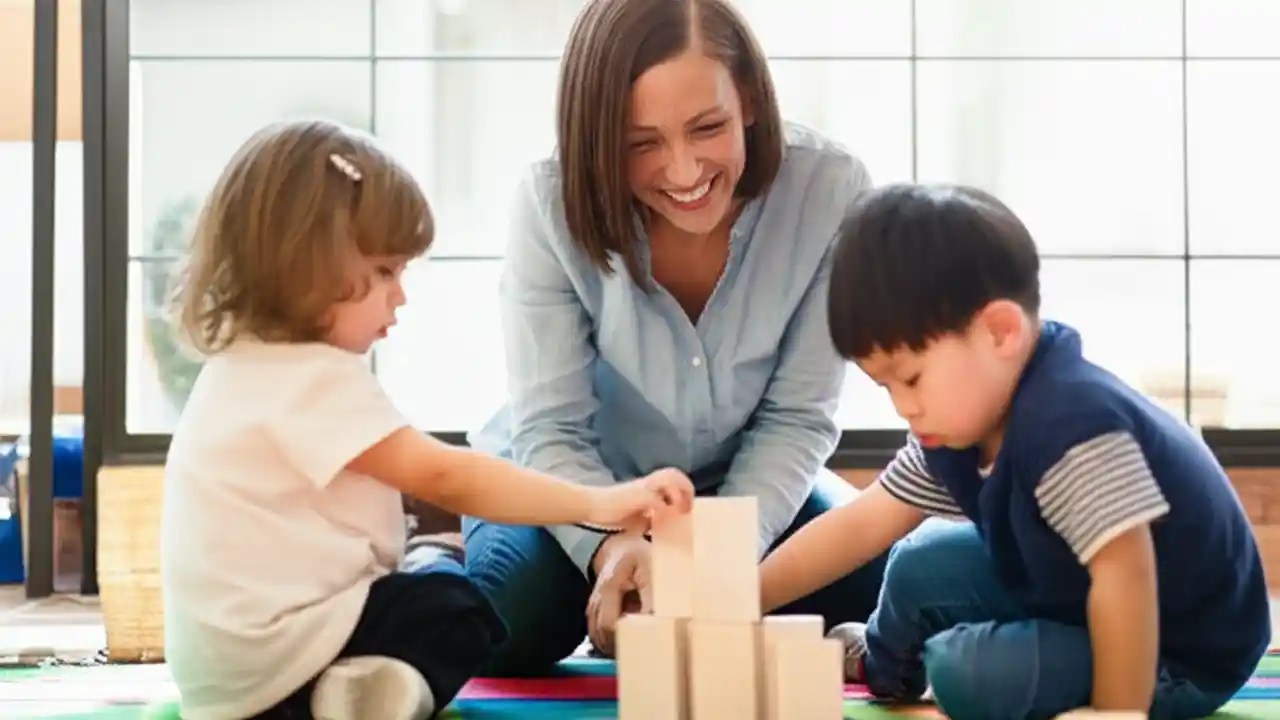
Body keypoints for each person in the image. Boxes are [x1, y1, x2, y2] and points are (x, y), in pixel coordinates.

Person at [159, 119, 695, 720]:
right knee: (452, 604)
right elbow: (448, 477)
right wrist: (597, 505)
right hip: (289, 655)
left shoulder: (235, 369)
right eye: (386, 272)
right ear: (308, 265)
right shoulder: (313, 377)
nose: (400, 295)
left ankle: (350, 689)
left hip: (224, 686)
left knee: (425, 589)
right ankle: (355, 694)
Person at [464, 0, 890, 674]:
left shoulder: (830, 190)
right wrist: (616, 545)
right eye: (642, 144)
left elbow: (796, 418)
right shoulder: (548, 204)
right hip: (577, 488)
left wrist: (710, 559)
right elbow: (551, 430)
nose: (685, 171)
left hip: (740, 484)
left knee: (880, 587)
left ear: (748, 97)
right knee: (508, 624)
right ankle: (439, 564)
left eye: (708, 127)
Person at [758, 182, 1271, 719]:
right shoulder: (957, 422)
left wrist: (1117, 712)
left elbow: (1128, 576)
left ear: (1000, 333)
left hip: (1176, 646)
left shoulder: (1072, 427)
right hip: (1069, 588)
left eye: (911, 378)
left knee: (968, 671)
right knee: (916, 560)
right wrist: (746, 593)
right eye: (885, 387)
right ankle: (882, 665)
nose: (903, 407)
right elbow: (863, 523)